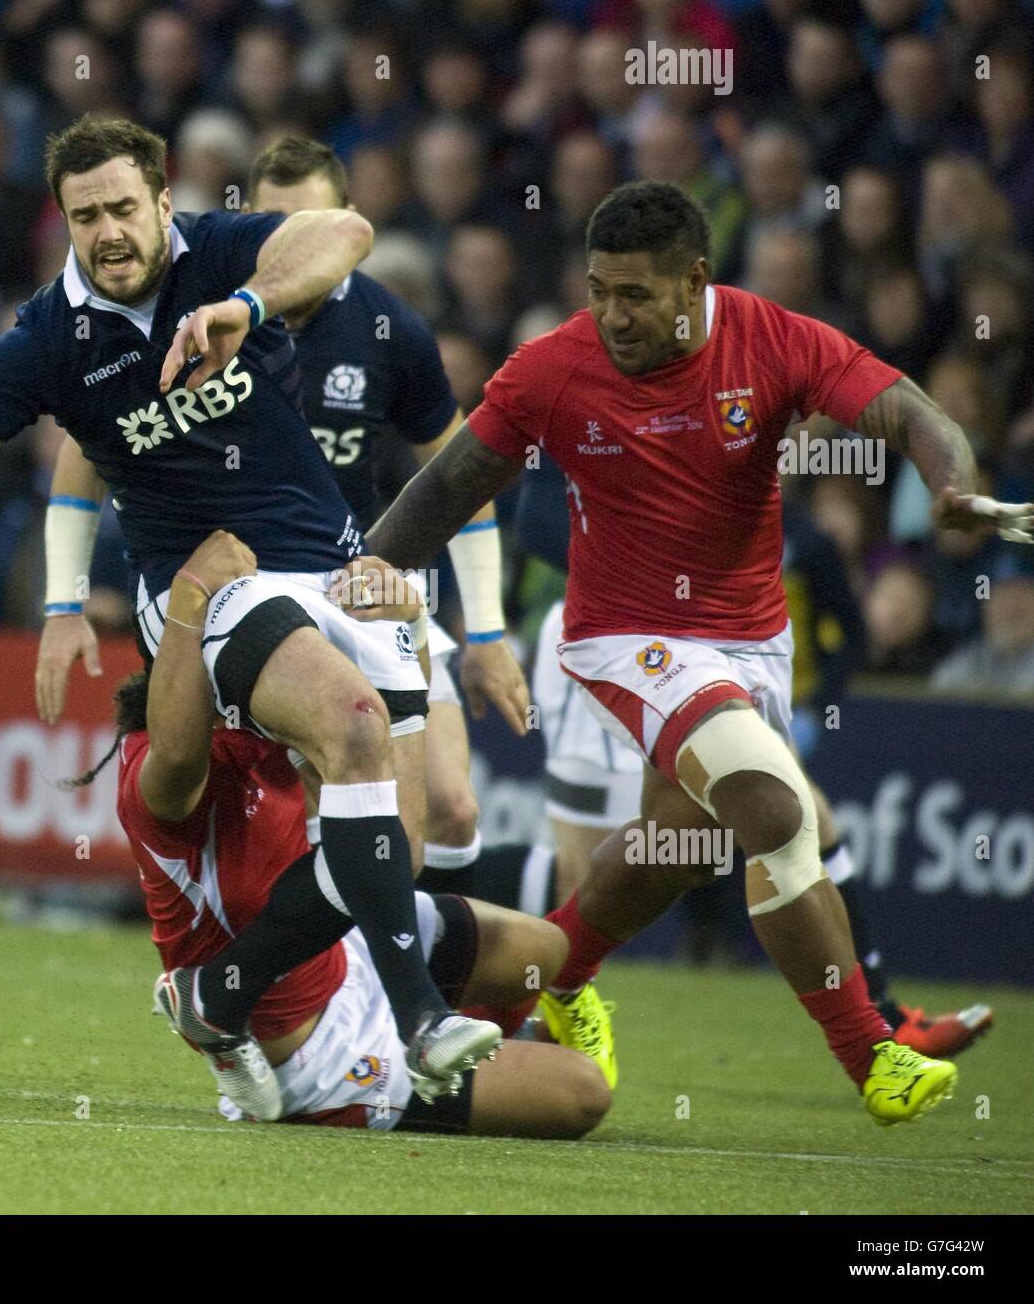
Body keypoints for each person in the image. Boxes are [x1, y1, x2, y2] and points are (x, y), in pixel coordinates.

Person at [0, 115, 526, 1103]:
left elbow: (348, 235)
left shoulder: (221, 250)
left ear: (161, 202)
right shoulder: (47, 339)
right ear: (64, 223)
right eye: (83, 216)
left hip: (340, 577)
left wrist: (245, 302)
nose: (107, 231)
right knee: (356, 724)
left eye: (122, 207)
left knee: (392, 834)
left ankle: (220, 991)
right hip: (207, 589)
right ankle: (419, 1015)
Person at [365, 180, 1033, 1125]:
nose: (611, 315)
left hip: (749, 637)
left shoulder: (773, 339)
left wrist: (953, 480)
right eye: (598, 290)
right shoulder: (553, 367)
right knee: (774, 806)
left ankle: (556, 975)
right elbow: (448, 484)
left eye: (634, 294)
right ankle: (872, 1053)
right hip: (625, 636)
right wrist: (357, 576)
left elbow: (908, 409)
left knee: (683, 847)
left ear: (695, 281)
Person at [35, 134, 522, 888]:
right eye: (269, 227)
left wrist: (485, 629)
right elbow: (81, 465)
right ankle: (310, 977)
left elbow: (461, 476)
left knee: (450, 808)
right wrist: (63, 600)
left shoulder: (389, 333)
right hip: (231, 592)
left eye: (302, 228)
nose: (281, 253)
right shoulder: (187, 316)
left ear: (340, 227)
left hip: (363, 587)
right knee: (286, 796)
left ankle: (409, 979)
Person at [81, 526, 608, 1135]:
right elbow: (177, 752)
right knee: (584, 1094)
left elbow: (403, 835)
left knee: (546, 951)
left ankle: (452, 1039)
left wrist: (405, 629)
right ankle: (410, 1052)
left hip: (346, 952)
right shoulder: (160, 779)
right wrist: (191, 595)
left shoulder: (281, 725)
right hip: (313, 1047)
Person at [511, 456, 992, 1057]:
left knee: (799, 815)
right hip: (607, 641)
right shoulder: (574, 377)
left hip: (706, 651)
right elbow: (533, 517)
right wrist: (642, 573)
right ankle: (529, 1010)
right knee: (594, 865)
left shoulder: (711, 398)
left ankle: (883, 1020)